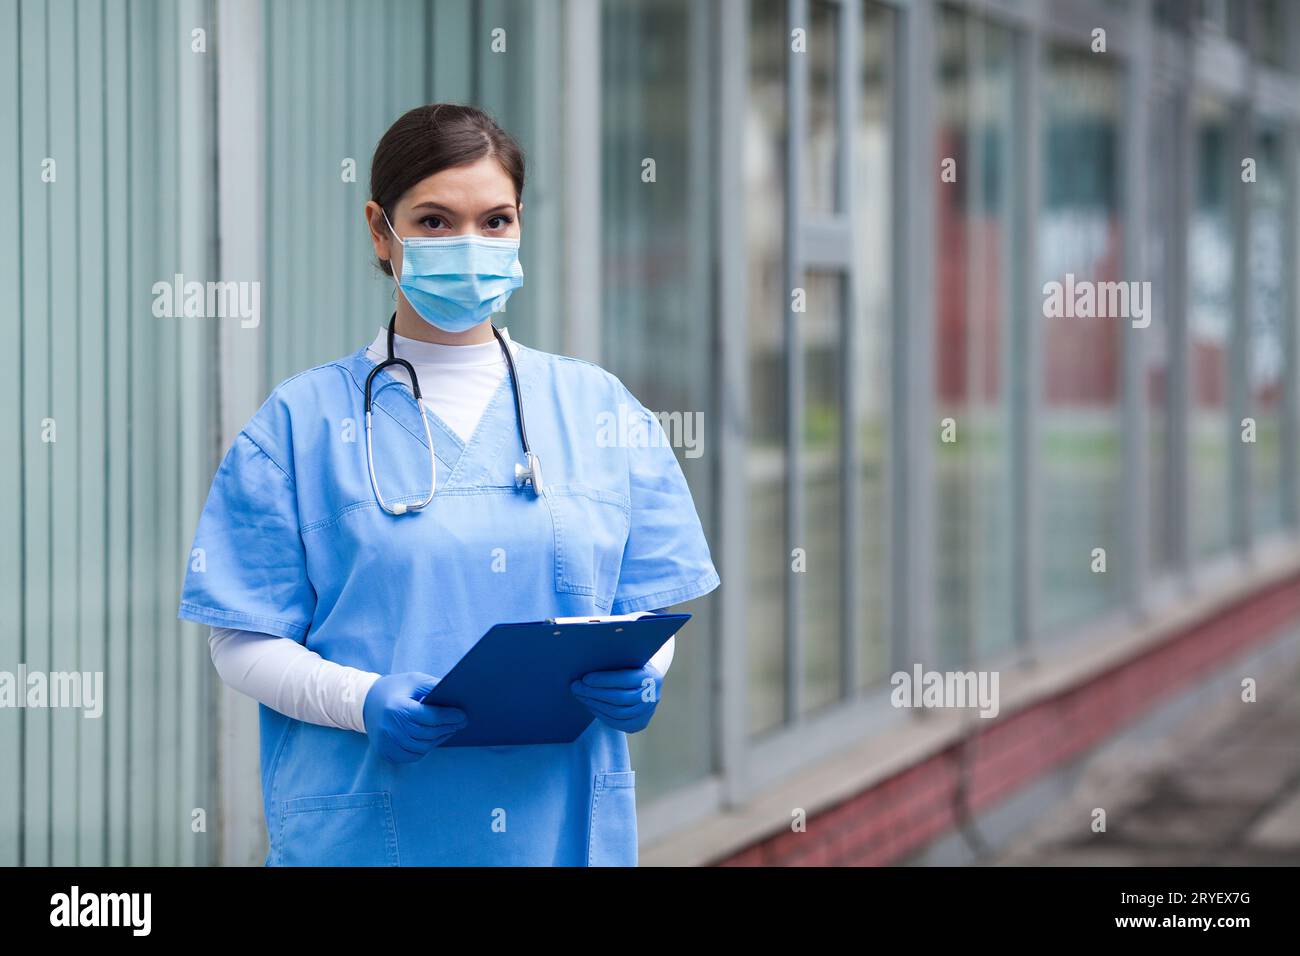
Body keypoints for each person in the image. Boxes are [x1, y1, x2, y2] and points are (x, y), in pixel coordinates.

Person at [178, 103, 719, 866]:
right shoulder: (298, 425)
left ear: (520, 224)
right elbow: (240, 641)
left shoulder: (599, 409)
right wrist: (359, 701)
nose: (470, 245)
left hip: (557, 827)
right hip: (373, 831)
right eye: (434, 222)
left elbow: (648, 606)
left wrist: (642, 672)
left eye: (494, 221)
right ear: (380, 231)